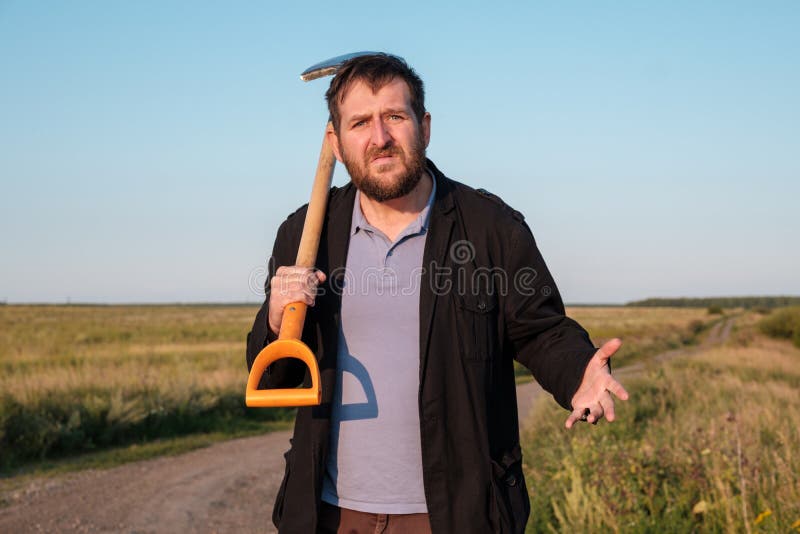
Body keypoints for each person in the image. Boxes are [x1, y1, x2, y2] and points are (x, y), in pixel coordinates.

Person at [246, 53, 629, 534]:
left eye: (395, 117)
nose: (380, 137)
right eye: (360, 122)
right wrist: (278, 319)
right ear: (336, 143)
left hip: (455, 513)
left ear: (424, 127)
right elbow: (275, 372)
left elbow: (541, 330)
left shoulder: (491, 228)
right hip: (330, 513)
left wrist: (579, 371)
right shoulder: (305, 235)